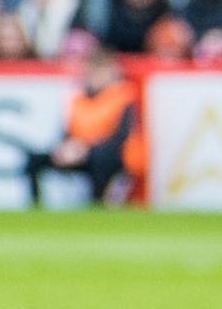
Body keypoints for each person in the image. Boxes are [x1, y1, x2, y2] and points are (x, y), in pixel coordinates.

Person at [24, 37, 140, 207]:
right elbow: (68, 131)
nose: (95, 76)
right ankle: (37, 207)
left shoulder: (123, 96)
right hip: (79, 151)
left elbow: (119, 139)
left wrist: (86, 149)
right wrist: (66, 148)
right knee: (34, 158)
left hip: (109, 156)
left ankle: (97, 205)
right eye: (93, 70)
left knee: (100, 157)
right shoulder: (78, 98)